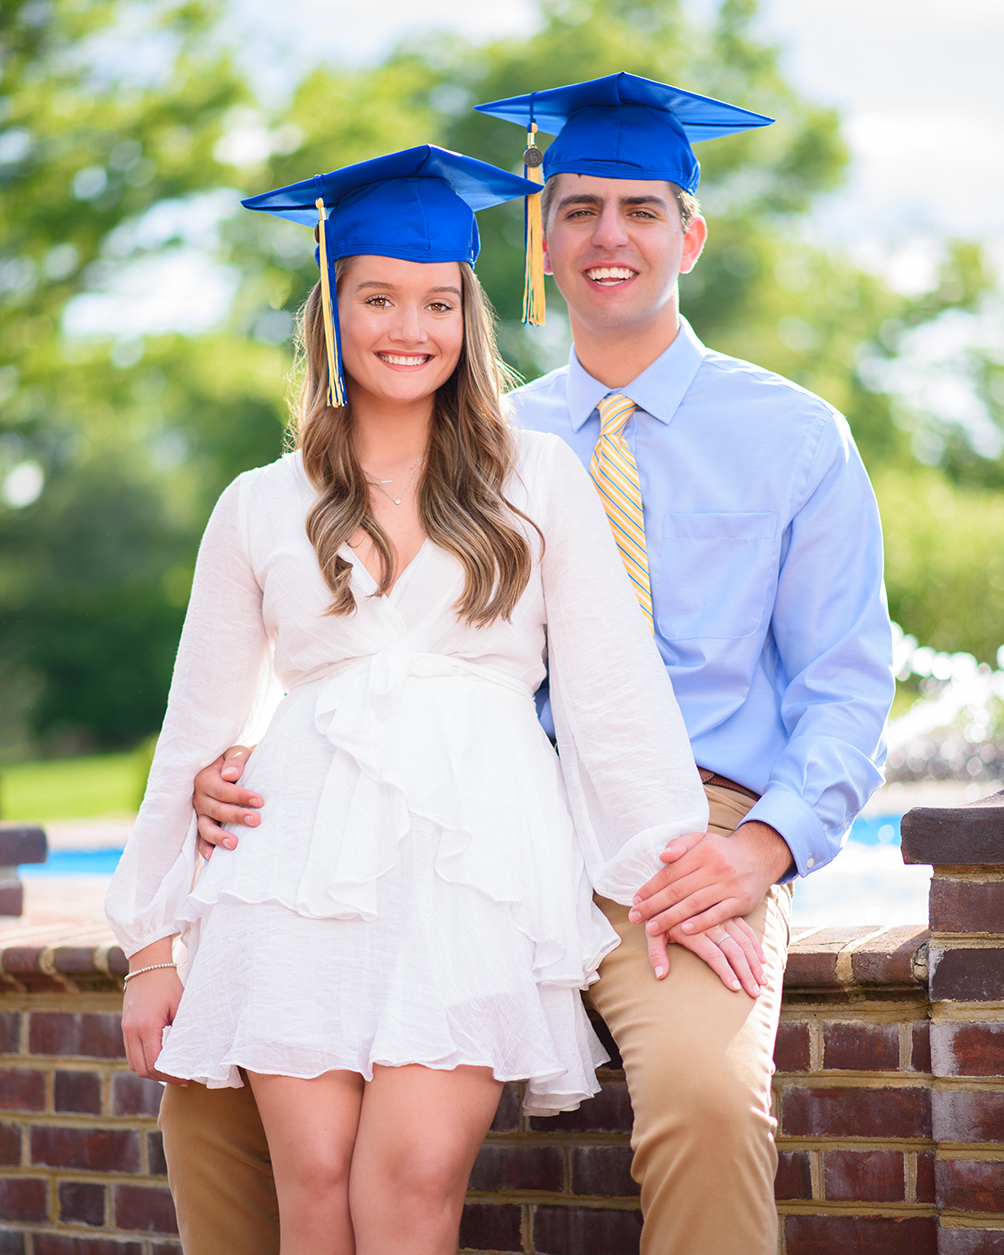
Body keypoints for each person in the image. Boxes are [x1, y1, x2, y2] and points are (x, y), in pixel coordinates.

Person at [190, 76, 896, 1255]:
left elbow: (845, 687)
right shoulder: (478, 433)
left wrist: (759, 846)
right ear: (538, 238)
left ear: (690, 233)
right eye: (576, 209)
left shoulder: (793, 436)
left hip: (677, 839)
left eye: (639, 208)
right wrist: (243, 755)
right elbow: (346, 615)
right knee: (207, 1079)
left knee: (707, 1097)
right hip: (466, 813)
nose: (607, 236)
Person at [107, 143, 763, 1255]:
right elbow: (198, 727)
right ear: (330, 309)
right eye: (376, 298)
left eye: (437, 301)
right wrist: (150, 945)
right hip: (293, 870)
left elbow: (610, 689)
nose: (408, 327)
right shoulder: (258, 504)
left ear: (469, 316)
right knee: (311, 1184)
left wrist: (666, 871)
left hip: (474, 863)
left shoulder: (533, 473)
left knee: (408, 1183)